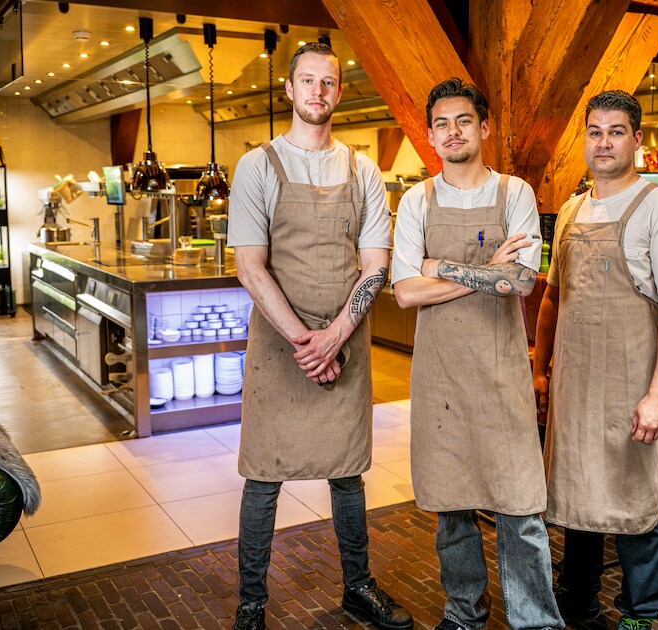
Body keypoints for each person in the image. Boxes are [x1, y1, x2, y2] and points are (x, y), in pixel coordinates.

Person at [226, 42, 412, 630]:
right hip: (282, 348)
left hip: (345, 337)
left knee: (348, 471)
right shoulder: (257, 167)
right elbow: (251, 267)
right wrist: (309, 343)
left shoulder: (364, 170)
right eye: (307, 81)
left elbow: (376, 265)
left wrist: (336, 335)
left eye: (328, 83)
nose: (318, 92)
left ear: (339, 90)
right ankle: (250, 606)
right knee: (263, 475)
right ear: (289, 89)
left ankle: (357, 587)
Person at [391, 77, 564, 630]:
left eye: (463, 120)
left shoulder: (515, 193)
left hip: (500, 372)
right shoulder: (417, 199)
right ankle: (464, 613)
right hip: (439, 379)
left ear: (484, 127)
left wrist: (437, 267)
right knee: (451, 506)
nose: (453, 131)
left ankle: (535, 620)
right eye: (441, 123)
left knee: (520, 504)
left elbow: (521, 283)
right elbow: (403, 292)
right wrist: (487, 273)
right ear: (430, 135)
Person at [532, 89, 658, 630]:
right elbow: (554, 297)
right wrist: (540, 367)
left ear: (637, 140)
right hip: (576, 386)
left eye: (616, 132)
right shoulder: (572, 210)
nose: (604, 143)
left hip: (632, 388)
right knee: (581, 492)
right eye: (595, 132)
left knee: (634, 501)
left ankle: (639, 612)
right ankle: (576, 599)